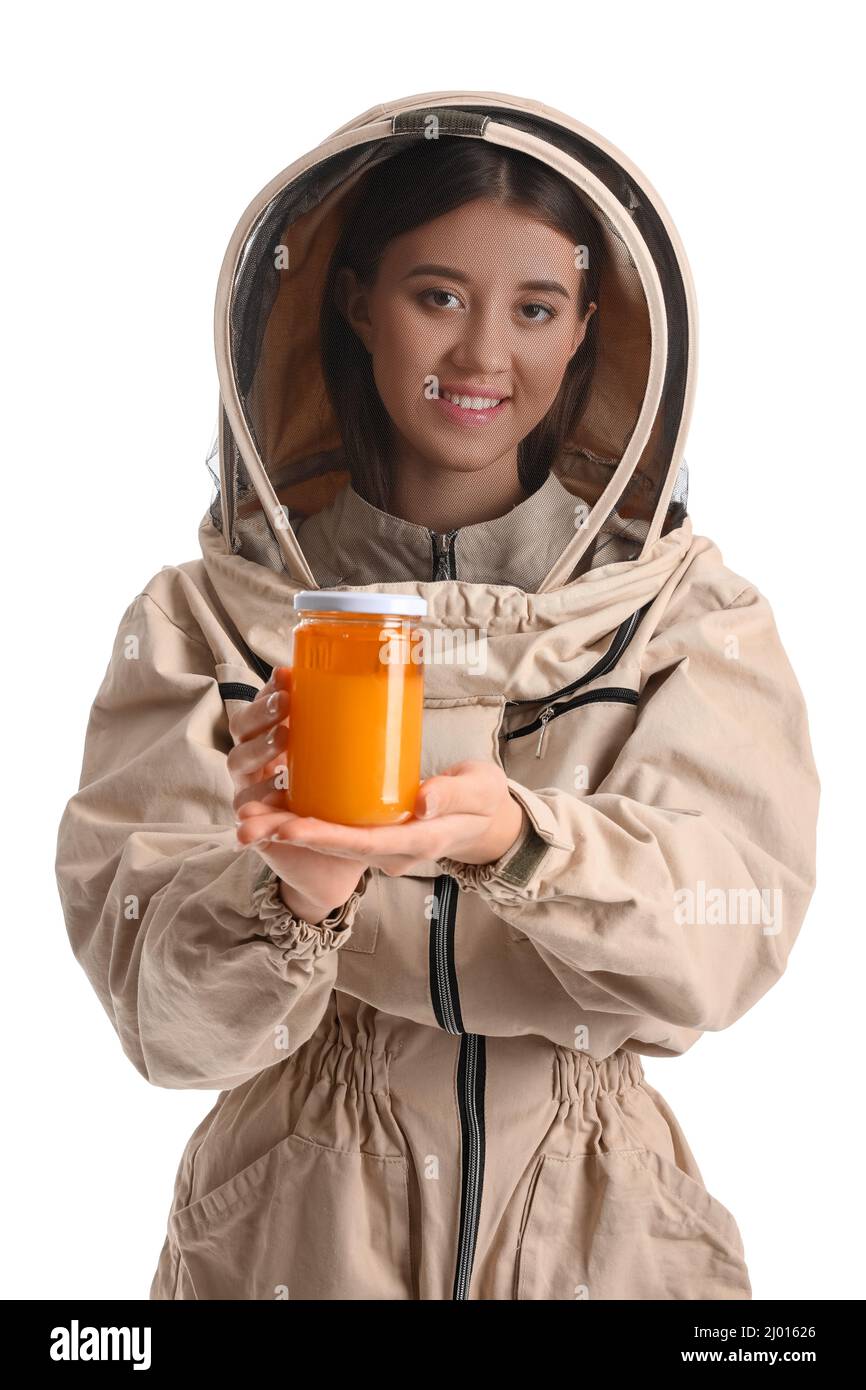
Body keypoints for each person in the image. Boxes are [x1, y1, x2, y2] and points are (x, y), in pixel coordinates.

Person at [54, 91, 819, 1302]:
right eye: (436, 296)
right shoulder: (202, 620)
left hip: (602, 1232)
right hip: (291, 1236)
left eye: (533, 307)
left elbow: (720, 948)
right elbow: (169, 1029)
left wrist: (520, 841)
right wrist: (291, 889)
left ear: (585, 332)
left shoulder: (682, 615)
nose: (479, 357)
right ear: (356, 302)